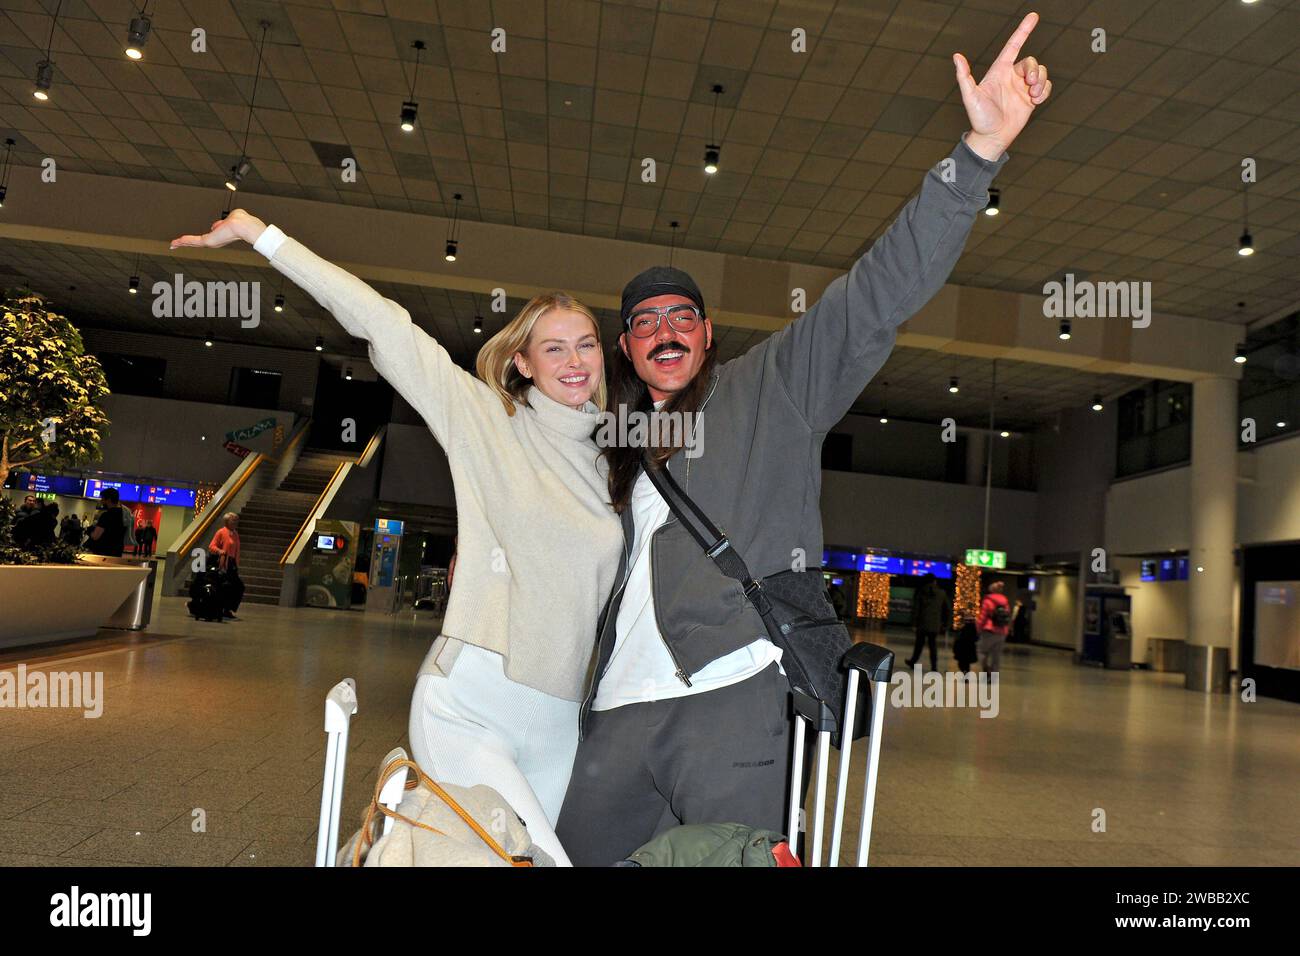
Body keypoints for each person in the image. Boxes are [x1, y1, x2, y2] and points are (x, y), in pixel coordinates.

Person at [556, 13, 1052, 866]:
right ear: (627, 348)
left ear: (708, 336)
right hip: (616, 713)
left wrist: (975, 158)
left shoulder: (771, 388)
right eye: (644, 324)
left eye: (683, 317)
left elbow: (876, 294)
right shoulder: (610, 440)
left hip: (735, 700)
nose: (665, 332)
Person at [170, 214, 622, 868]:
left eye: (585, 344)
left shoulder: (610, 467)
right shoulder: (487, 422)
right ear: (521, 361)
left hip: (558, 722)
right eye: (554, 347)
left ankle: (396, 827)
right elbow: (385, 325)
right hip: (472, 706)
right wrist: (261, 235)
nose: (575, 361)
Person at [907, 575, 951, 672]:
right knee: (933, 646)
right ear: (935, 581)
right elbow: (947, 610)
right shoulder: (942, 593)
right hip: (935, 624)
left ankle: (913, 661)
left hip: (921, 623)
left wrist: (914, 623)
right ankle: (934, 666)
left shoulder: (921, 592)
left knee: (919, 644)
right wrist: (946, 624)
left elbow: (916, 609)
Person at [209, 513, 245, 619]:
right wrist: (220, 551)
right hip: (223, 564)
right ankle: (224, 609)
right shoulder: (221, 532)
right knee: (227, 587)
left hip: (232, 564)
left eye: (236, 520)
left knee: (238, 587)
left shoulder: (235, 534)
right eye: (233, 520)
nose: (235, 523)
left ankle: (228, 608)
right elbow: (211, 546)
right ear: (227, 521)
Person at [977, 580, 1012, 677]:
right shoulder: (1005, 602)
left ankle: (986, 670)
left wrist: (978, 628)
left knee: (982, 652)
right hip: (1001, 632)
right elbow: (1008, 616)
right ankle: (994, 677)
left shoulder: (987, 601)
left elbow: (982, 617)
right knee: (996, 657)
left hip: (989, 631)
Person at [86, 488, 132, 557]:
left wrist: (89, 531)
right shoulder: (125, 515)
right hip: (117, 552)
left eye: (103, 499)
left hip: (103, 553)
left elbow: (96, 536)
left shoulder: (106, 515)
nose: (101, 501)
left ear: (109, 500)